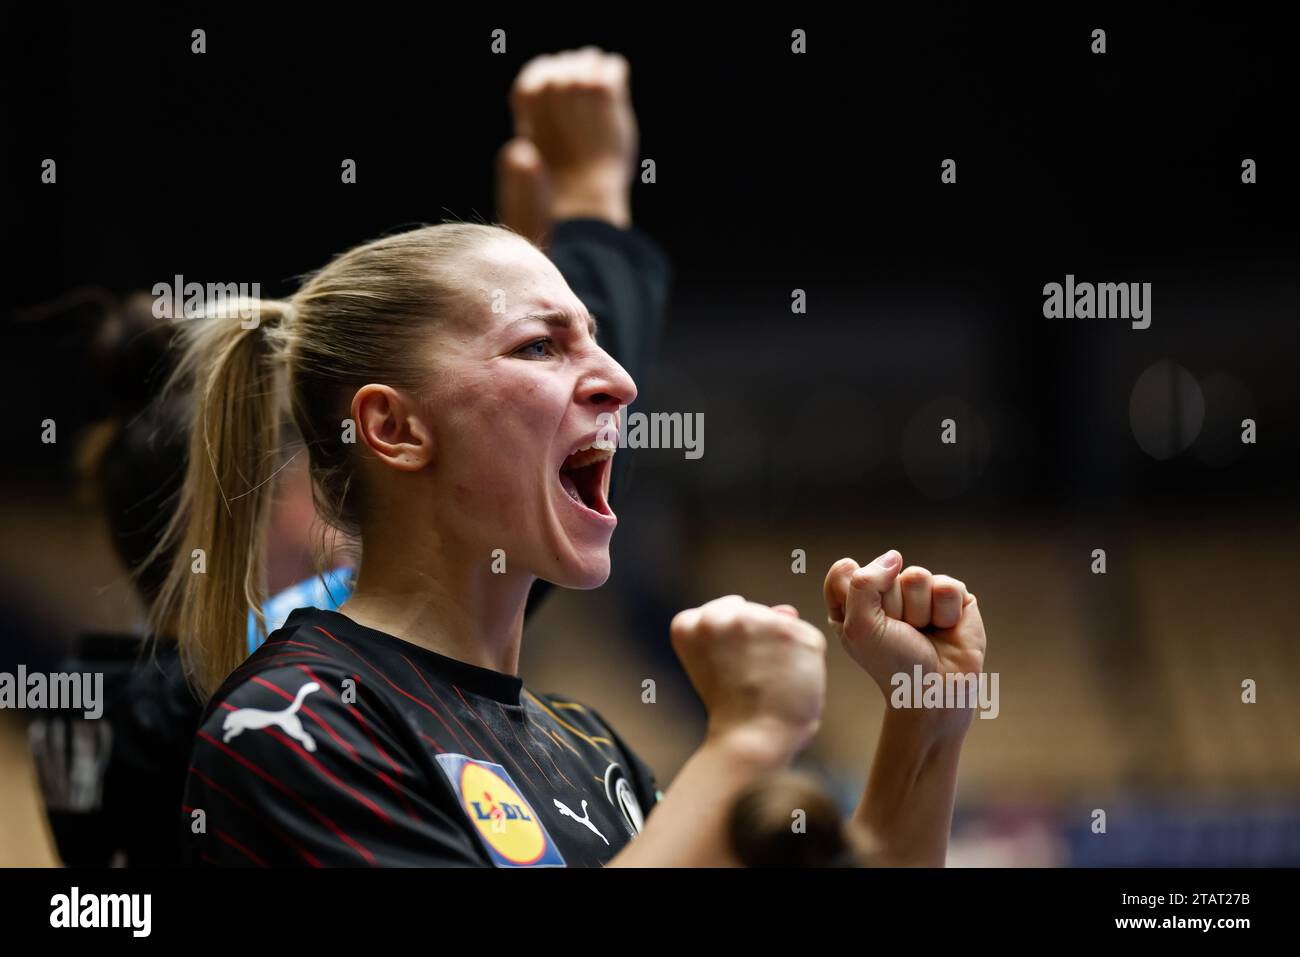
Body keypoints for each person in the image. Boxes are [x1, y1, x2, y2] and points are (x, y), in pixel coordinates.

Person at [161, 49, 988, 867]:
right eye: (538, 345)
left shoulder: (591, 751)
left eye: (595, 338)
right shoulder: (297, 721)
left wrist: (931, 714)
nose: (623, 383)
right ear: (394, 428)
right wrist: (744, 740)